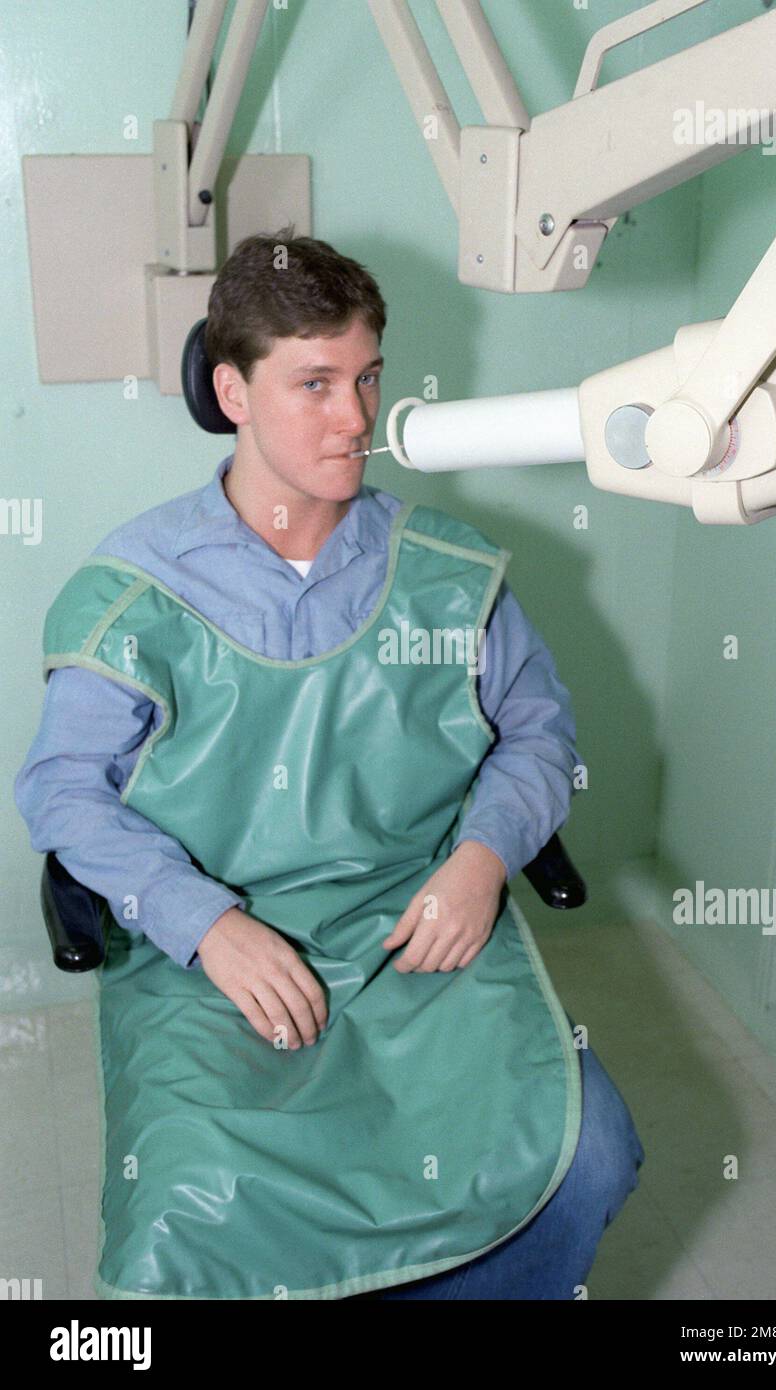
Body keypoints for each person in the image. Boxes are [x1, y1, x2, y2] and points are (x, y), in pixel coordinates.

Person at [15, 230, 644, 1300]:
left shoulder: (446, 575)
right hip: (210, 962)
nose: (355, 419)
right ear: (234, 390)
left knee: (585, 1158)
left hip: (414, 933)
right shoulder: (135, 593)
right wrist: (202, 920)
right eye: (314, 383)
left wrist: (483, 858)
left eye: (366, 378)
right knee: (183, 1223)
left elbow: (538, 733)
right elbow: (61, 788)